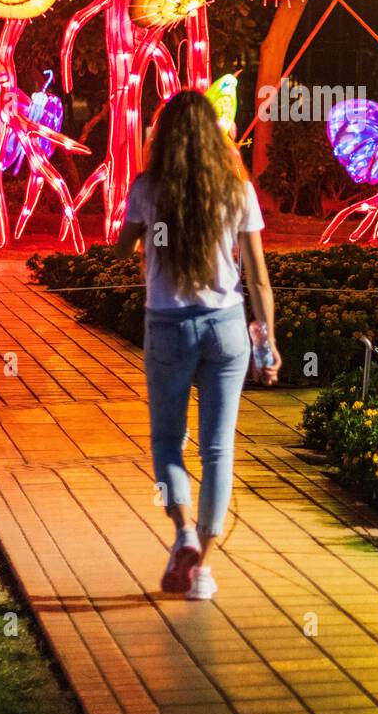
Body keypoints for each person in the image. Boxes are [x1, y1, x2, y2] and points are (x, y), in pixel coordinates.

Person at [114, 89, 281, 601]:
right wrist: (266, 346)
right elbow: (258, 280)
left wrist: (145, 231)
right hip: (228, 328)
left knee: (168, 441)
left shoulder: (148, 187)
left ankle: (183, 532)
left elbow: (122, 247)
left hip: (167, 325)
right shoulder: (237, 190)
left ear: (163, 137)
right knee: (218, 449)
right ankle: (201, 569)